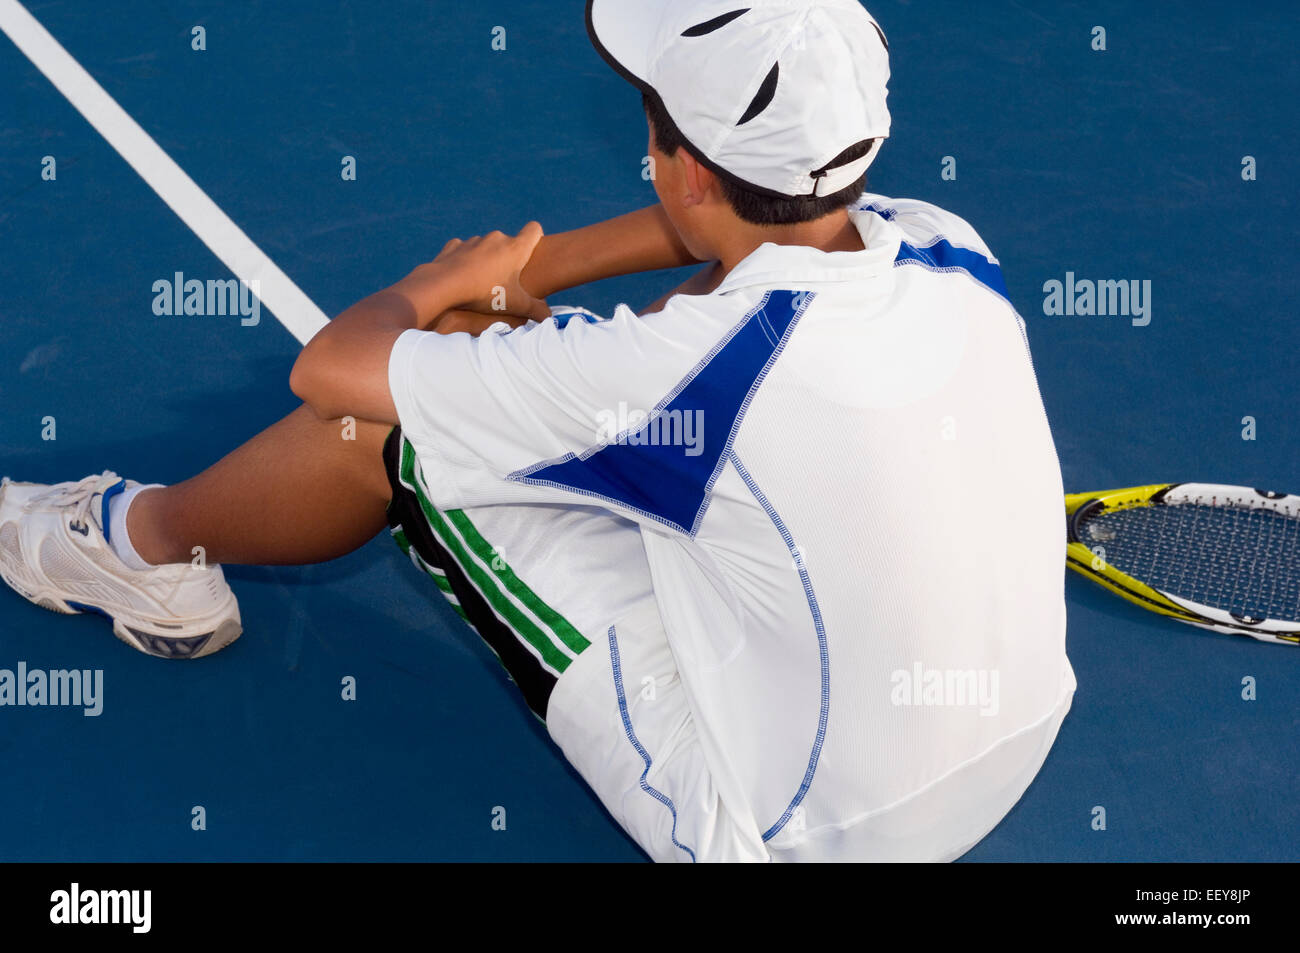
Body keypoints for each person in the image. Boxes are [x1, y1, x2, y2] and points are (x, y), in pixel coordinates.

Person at [0, 0, 1075, 861]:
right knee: (547, 371)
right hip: (1007, 742)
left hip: (791, 830)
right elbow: (723, 270)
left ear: (683, 165)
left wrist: (438, 286)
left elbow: (326, 367)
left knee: (384, 434)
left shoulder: (685, 372)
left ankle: (132, 549)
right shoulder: (939, 243)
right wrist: (526, 280)